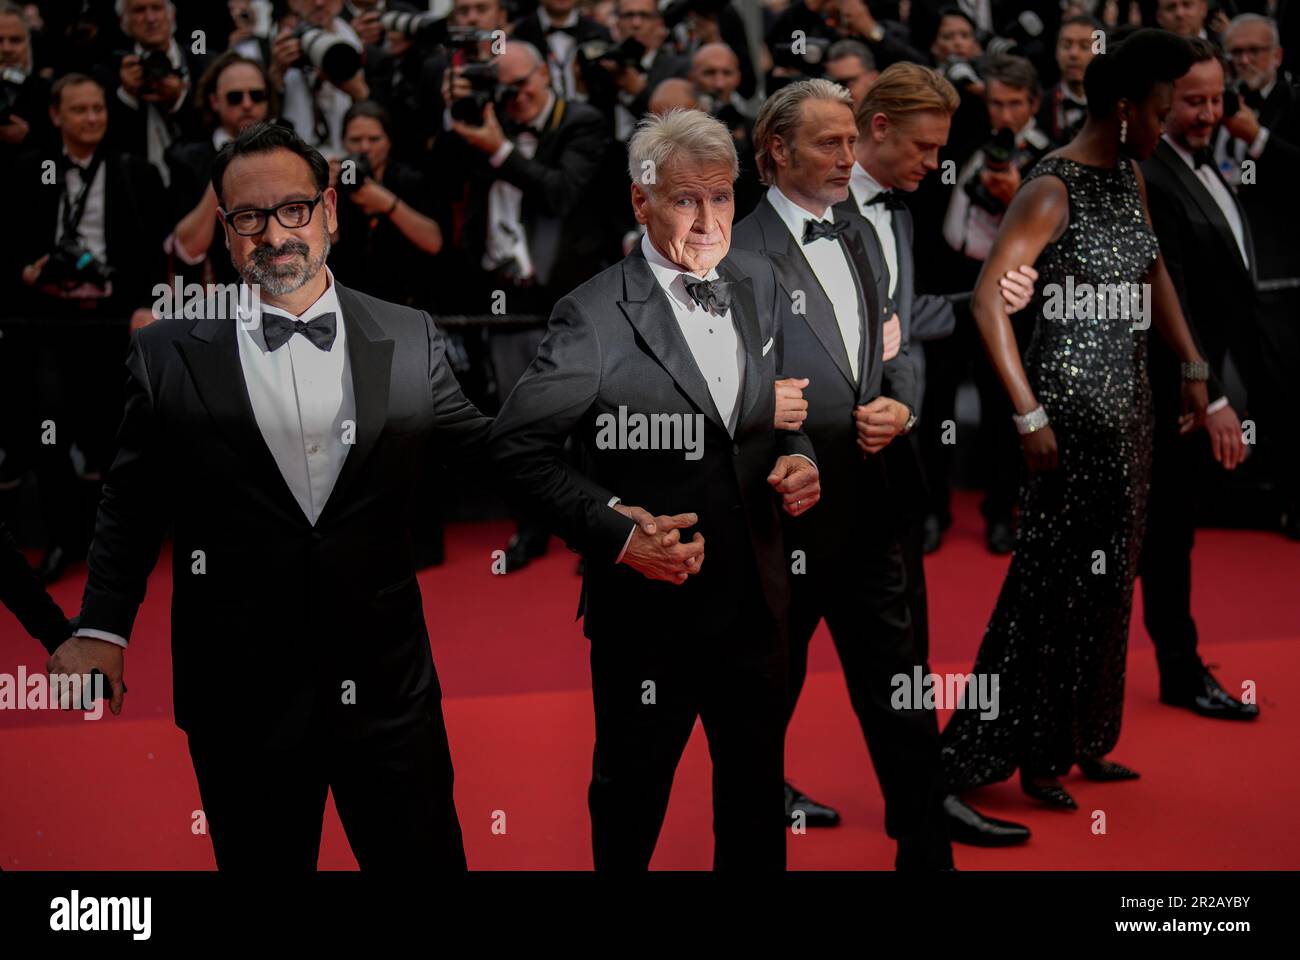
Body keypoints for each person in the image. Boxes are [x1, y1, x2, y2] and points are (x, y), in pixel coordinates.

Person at [46, 121, 491, 869]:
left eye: (293, 209)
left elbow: (493, 449)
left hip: (385, 687)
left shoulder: (410, 335)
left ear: (329, 213)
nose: (274, 234)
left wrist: (610, 514)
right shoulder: (166, 352)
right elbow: (130, 502)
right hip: (240, 694)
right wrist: (103, 627)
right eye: (249, 217)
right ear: (226, 230)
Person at [490, 108, 821, 871]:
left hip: (758, 599)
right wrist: (615, 529)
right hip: (650, 615)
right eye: (685, 200)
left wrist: (799, 455)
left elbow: (771, 407)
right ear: (641, 201)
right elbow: (513, 448)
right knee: (631, 801)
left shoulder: (758, 281)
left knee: (754, 801)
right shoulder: (594, 315)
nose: (709, 222)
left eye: (722, 198)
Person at [939, 29, 1211, 812]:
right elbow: (991, 295)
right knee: (1049, 589)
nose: (1168, 128)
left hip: (1131, 414)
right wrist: (1026, 413)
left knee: (1106, 588)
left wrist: (1191, 362)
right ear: (1124, 110)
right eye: (1161, 113)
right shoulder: (1049, 186)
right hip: (1069, 422)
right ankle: (984, 755)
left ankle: (1073, 741)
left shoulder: (1130, 173)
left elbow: (1151, 264)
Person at [730, 79, 950, 869]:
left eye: (852, 142)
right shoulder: (734, 251)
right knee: (760, 720)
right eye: (829, 143)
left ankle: (926, 857)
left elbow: (876, 368)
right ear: (775, 152)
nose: (847, 159)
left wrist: (897, 410)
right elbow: (718, 394)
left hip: (870, 515)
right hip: (776, 527)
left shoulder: (857, 231)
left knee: (904, 703)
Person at [835, 61, 1038, 845]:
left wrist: (989, 296)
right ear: (875, 129)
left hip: (896, 456)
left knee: (903, 642)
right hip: (810, 464)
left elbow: (905, 318)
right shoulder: (800, 210)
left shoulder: (899, 211)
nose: (934, 164)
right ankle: (763, 787)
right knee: (775, 650)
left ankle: (921, 804)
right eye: (922, 148)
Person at [439, 39, 615, 572]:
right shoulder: (483, 121)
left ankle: (599, 530)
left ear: (547, 75)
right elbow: (447, 183)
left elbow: (562, 193)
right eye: (503, 87)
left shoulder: (582, 122)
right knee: (519, 422)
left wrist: (499, 150)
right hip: (504, 295)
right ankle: (532, 526)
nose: (513, 97)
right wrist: (457, 112)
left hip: (572, 296)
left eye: (522, 85)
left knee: (589, 419)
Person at [1137, 38, 1260, 721]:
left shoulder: (1211, 165)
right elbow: (1169, 295)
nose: (1209, 112)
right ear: (1161, 101)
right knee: (1159, 540)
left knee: (1167, 538)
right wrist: (1204, 391)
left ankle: (1175, 665)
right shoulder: (1152, 175)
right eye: (1193, 101)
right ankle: (1177, 671)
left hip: (1199, 380)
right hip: (1169, 391)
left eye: (1217, 99)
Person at [5, 74, 167, 584]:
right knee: (49, 428)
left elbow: (153, 251)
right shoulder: (29, 170)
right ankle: (62, 538)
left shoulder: (133, 171)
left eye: (98, 108)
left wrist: (146, 304)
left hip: (114, 320)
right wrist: (27, 271)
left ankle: (112, 545)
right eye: (80, 110)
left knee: (109, 433)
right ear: (56, 116)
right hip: (47, 321)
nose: (92, 118)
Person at [1217, 12, 1300, 540]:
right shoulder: (1216, 103)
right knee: (1238, 389)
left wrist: (1259, 137)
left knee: (1288, 391)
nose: (1244, 60)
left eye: (1253, 51)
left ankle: (1292, 497)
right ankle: (1252, 490)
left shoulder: (1294, 104)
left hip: (1284, 278)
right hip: (1228, 274)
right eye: (1236, 53)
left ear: (1277, 55)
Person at [166, 51, 275, 289]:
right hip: (216, 300)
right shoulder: (186, 159)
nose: (247, 104)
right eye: (235, 98)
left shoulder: (288, 155)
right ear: (215, 101)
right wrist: (228, 166)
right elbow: (188, 249)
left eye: (256, 95)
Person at [329, 99, 442, 306]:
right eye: (355, 140)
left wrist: (388, 204)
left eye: (374, 139)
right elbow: (326, 247)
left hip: (406, 302)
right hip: (351, 302)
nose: (365, 148)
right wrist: (323, 195)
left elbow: (434, 242)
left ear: (389, 141)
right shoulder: (337, 183)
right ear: (344, 142)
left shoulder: (410, 180)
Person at [99, 0, 209, 186]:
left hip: (197, 183)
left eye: (157, 8)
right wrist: (126, 96)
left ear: (171, 14)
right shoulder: (109, 71)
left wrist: (179, 99)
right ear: (123, 20)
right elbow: (105, 139)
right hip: (136, 186)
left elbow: (215, 127)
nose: (150, 18)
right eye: (139, 10)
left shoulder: (203, 64)